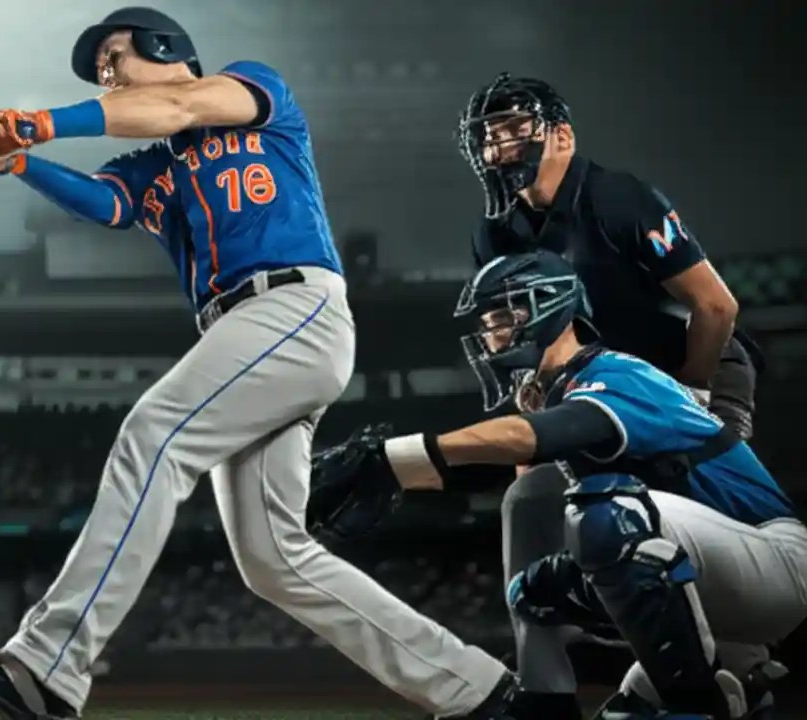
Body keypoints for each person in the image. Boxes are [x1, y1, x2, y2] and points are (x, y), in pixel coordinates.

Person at [0, 7, 523, 719]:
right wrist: (15, 162)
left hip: (291, 305)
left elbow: (176, 105)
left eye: (114, 55)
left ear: (163, 45)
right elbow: (105, 203)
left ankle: (46, 666)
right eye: (100, 69)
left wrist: (38, 123)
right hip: (247, 333)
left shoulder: (251, 88)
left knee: (154, 436)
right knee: (274, 558)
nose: (106, 73)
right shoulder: (156, 163)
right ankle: (481, 692)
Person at [310, 250, 805, 719]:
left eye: (500, 318)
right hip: (706, 583)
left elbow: (537, 435)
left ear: (548, 306)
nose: (490, 336)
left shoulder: (616, 373)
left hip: (775, 561)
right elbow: (486, 469)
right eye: (487, 325)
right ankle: (548, 700)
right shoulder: (563, 394)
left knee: (606, 511)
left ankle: (697, 703)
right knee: (534, 584)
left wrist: (392, 457)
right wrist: (392, 476)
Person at [455, 72, 766, 716]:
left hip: (688, 367)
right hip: (594, 389)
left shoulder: (618, 197)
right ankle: (544, 688)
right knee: (529, 500)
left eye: (515, 128)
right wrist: (532, 444)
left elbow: (715, 306)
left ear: (561, 136)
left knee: (690, 497)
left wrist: (691, 391)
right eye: (489, 135)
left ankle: (739, 663)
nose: (499, 146)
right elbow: (521, 349)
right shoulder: (494, 234)